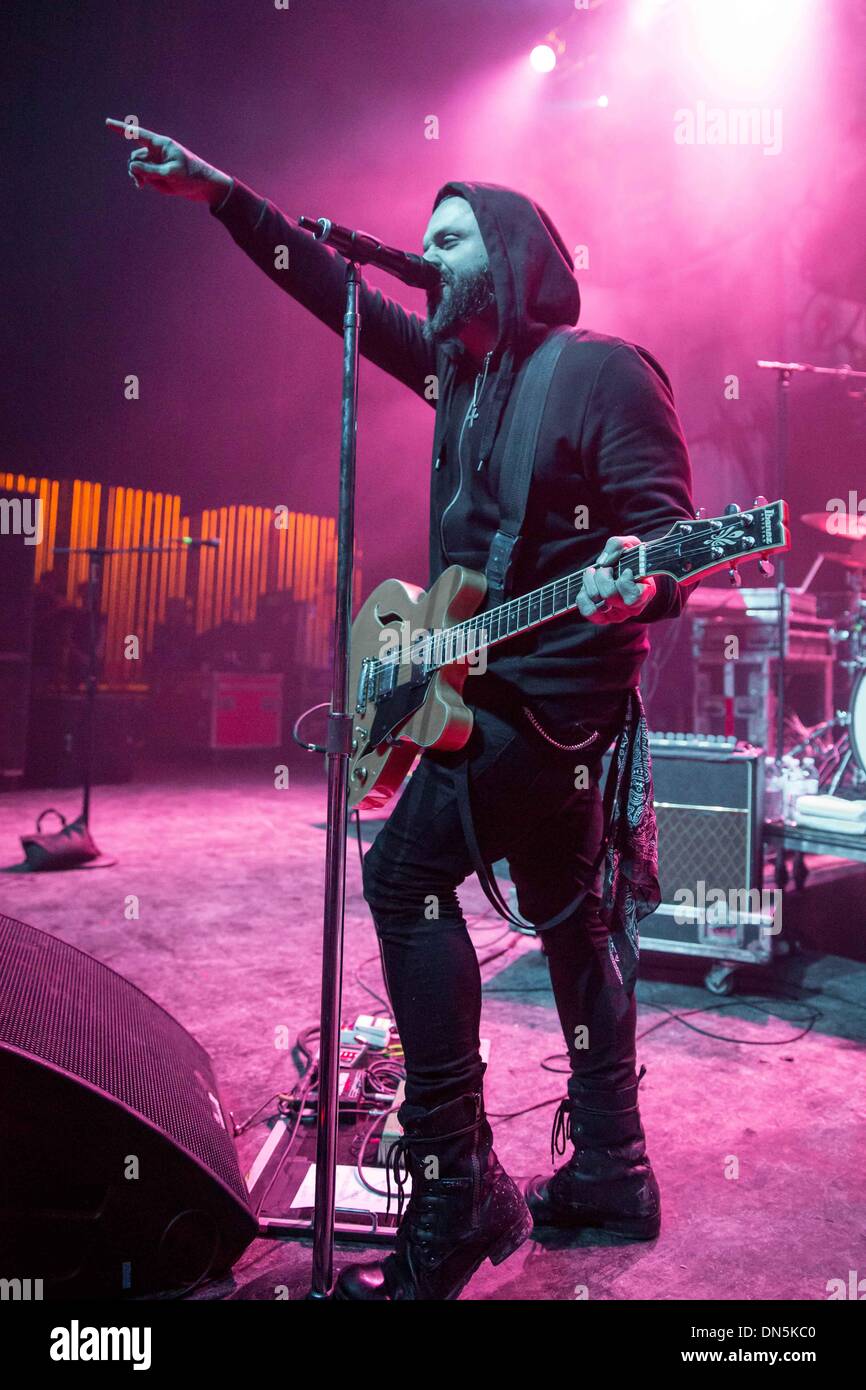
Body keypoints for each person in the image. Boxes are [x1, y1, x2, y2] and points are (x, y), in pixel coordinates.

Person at [106, 119, 697, 1301]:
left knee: (400, 878)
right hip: (477, 689)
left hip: (550, 714)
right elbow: (328, 292)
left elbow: (671, 539)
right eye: (417, 237)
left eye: (447, 235)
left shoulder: (597, 371)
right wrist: (227, 194)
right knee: (572, 923)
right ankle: (614, 1167)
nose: (421, 253)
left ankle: (453, 1182)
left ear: (511, 252)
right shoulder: (456, 375)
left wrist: (647, 567)